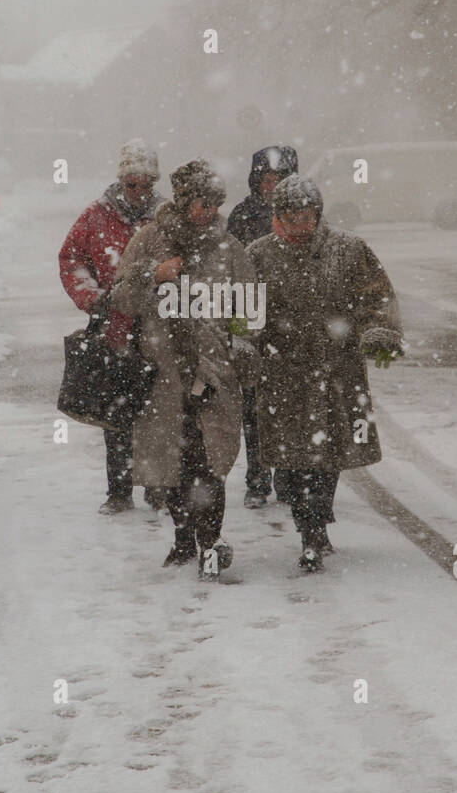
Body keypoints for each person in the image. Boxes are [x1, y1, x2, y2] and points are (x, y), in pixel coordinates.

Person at [248, 174, 404, 573]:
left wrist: (379, 331)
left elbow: (377, 297)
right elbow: (242, 311)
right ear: (277, 217)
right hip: (281, 373)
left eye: (307, 216)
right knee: (291, 458)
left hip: (338, 369)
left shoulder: (349, 251)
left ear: (318, 214)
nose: (301, 226)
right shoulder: (258, 256)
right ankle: (308, 523)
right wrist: (242, 342)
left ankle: (314, 528)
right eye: (291, 217)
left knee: (329, 452)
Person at [111, 159, 258, 576]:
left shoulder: (230, 249)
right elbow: (121, 297)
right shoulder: (149, 240)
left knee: (211, 465)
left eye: (214, 203)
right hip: (163, 374)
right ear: (182, 201)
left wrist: (242, 345)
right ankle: (181, 540)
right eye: (200, 203)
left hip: (214, 375)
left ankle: (210, 544)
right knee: (173, 465)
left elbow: (249, 310)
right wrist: (153, 275)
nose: (207, 211)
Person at [58, 139, 163, 514]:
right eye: (131, 183)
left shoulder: (166, 217)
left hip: (158, 327)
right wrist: (93, 298)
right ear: (121, 181)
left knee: (156, 410)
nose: (138, 191)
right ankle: (119, 490)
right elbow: (71, 258)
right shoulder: (96, 216)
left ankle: (157, 485)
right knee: (116, 411)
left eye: (145, 184)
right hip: (114, 326)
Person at [227, 145, 299, 508]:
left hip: (290, 325)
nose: (271, 187)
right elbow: (230, 273)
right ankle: (257, 479)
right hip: (252, 319)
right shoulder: (241, 215)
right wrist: (238, 328)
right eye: (266, 180)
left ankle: (286, 476)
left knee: (288, 408)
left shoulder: (302, 214)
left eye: (279, 180)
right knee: (253, 408)